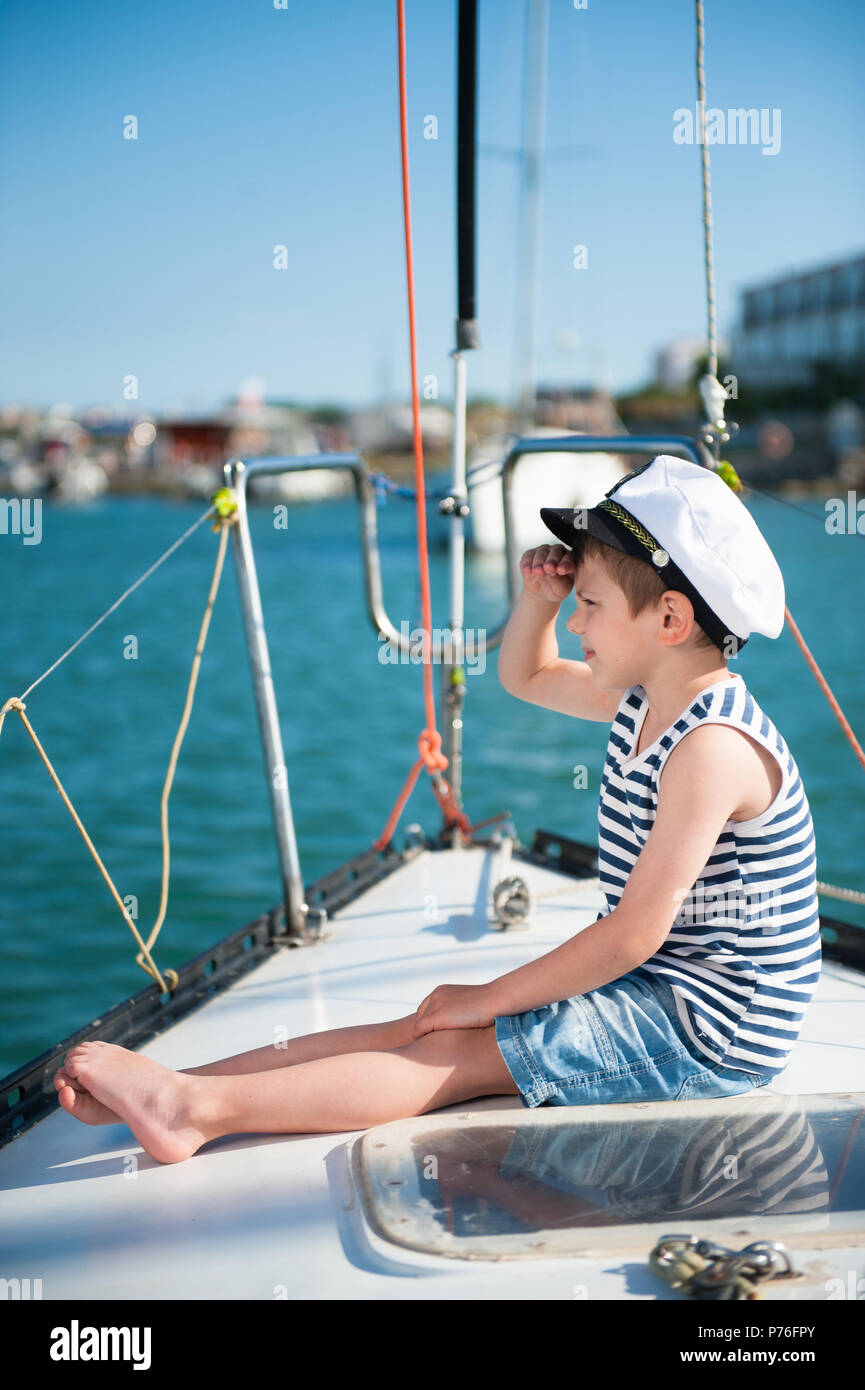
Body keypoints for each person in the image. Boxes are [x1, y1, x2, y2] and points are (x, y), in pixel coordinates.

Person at [53, 455, 821, 1163]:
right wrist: (538, 599)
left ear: (670, 622)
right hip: (663, 985)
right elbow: (526, 676)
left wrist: (488, 998)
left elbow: (631, 935)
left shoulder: (711, 747)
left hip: (713, 1028)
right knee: (421, 1022)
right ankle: (181, 1086)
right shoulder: (647, 698)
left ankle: (193, 1112)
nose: (575, 622)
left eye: (588, 604)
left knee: (458, 1048)